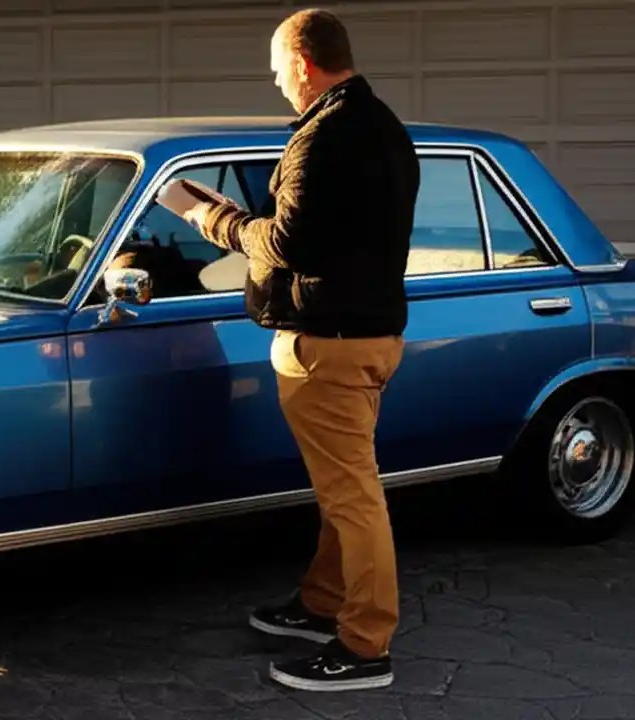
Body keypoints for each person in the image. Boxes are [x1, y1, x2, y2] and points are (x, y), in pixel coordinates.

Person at [157, 8, 419, 692]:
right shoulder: (385, 127)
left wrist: (208, 217)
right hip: (368, 335)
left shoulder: (324, 135)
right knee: (345, 488)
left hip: (329, 344)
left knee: (354, 497)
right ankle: (321, 605)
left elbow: (287, 242)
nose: (277, 84)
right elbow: (336, 233)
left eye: (278, 71)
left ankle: (365, 648)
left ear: (303, 63)